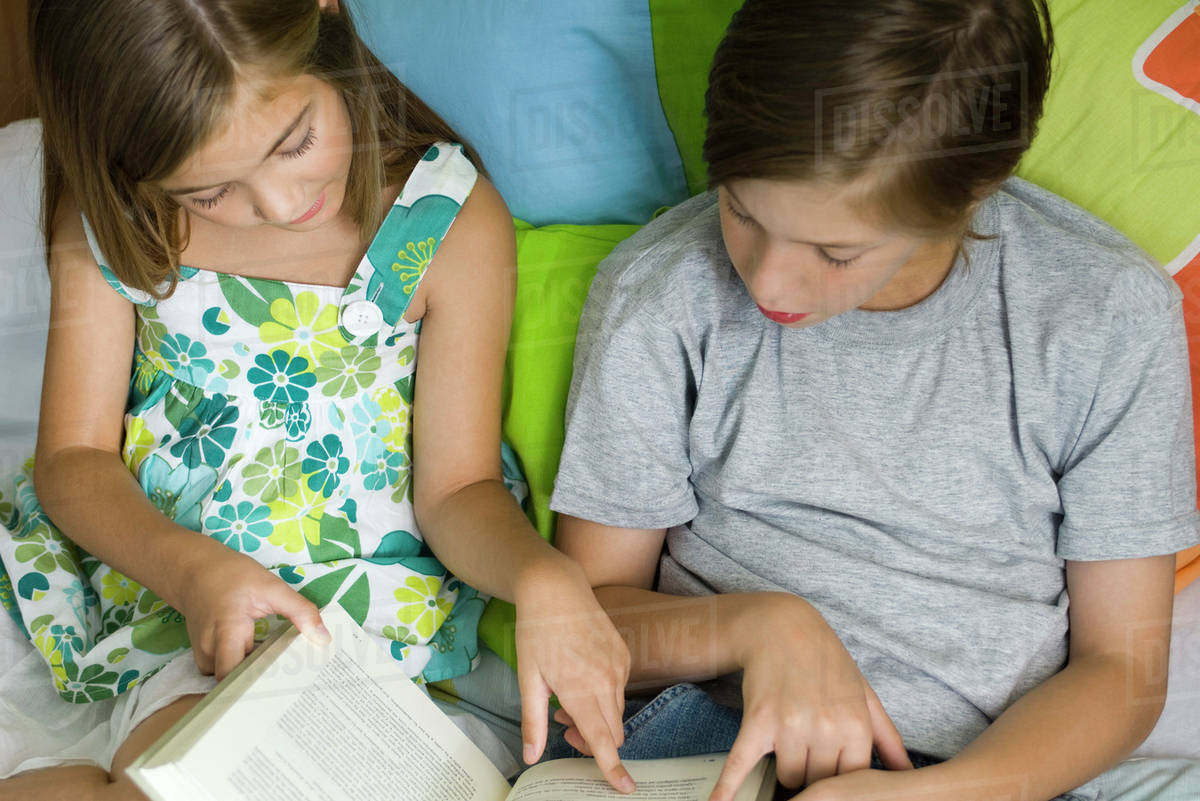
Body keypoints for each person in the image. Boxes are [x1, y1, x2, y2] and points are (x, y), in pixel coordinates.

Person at [546, 1, 1200, 800]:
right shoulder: (661, 295)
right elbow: (587, 623)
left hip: (983, 770)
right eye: (742, 211)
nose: (768, 281)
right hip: (698, 743)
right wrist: (761, 626)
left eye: (835, 252)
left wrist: (934, 794)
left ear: (970, 194)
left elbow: (1122, 669)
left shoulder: (1108, 317)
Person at [0, 0, 634, 797]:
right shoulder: (123, 220)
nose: (277, 202)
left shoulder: (443, 222)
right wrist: (193, 572)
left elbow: (455, 490)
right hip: (191, 613)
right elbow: (72, 460)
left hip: (376, 637)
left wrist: (541, 575)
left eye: (293, 141)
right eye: (209, 192)